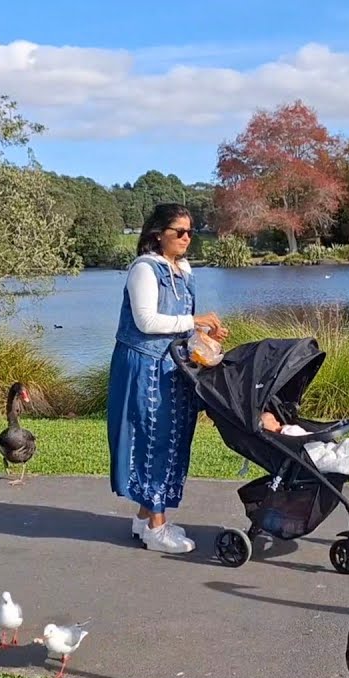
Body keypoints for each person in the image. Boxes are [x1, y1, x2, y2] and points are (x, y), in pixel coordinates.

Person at [107, 203, 228, 554]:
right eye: (180, 232)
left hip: (173, 365)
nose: (187, 238)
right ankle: (157, 529)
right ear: (158, 233)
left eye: (191, 231)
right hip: (145, 366)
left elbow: (179, 323)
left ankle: (146, 517)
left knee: (171, 439)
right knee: (153, 438)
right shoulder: (145, 269)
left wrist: (205, 338)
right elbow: (146, 322)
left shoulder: (183, 269)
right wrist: (195, 321)